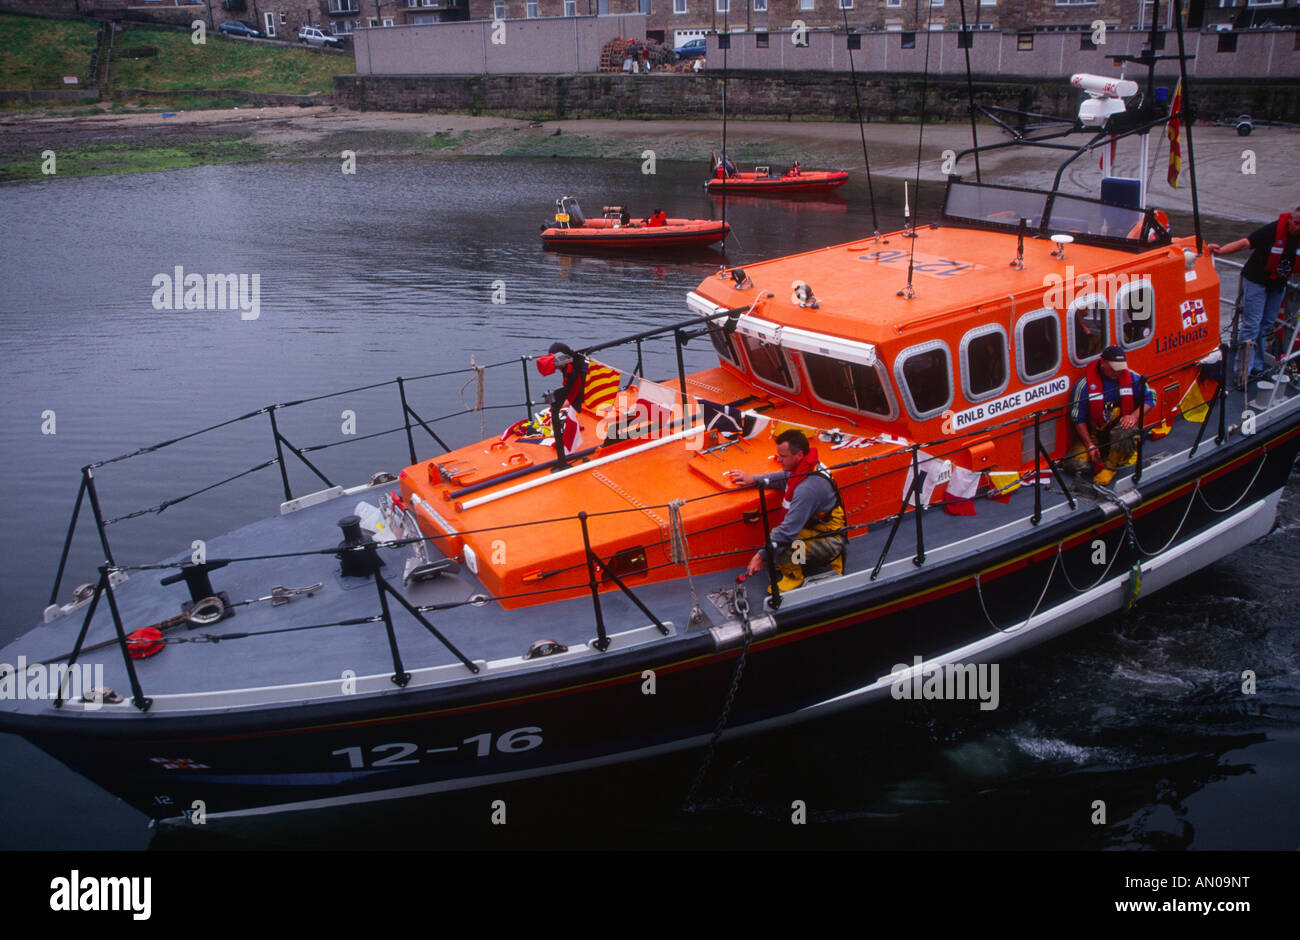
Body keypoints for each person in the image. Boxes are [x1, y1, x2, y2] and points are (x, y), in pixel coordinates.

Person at [730, 429, 846, 592]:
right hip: (818, 530)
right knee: (781, 541)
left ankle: (793, 577)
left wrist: (760, 556)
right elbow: (786, 477)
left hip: (830, 540)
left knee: (779, 538)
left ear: (798, 455)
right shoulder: (807, 468)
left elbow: (788, 533)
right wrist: (755, 479)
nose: (779, 459)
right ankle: (799, 559)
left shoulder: (807, 489)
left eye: (783, 457)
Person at [1207, 208, 1300, 381]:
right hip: (1256, 281)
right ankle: (1242, 370)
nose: (1298, 228)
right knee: (1252, 325)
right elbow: (1245, 243)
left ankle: (1257, 365)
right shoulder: (1272, 230)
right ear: (1290, 221)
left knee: (1266, 325)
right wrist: (1221, 251)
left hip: (1277, 285)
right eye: (1297, 223)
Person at [1066, 345, 1153, 485]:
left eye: (1120, 369)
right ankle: (1107, 458)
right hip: (1096, 436)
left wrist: (1134, 416)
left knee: (1125, 431)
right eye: (1113, 368)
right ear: (1102, 363)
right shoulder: (1084, 386)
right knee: (1075, 464)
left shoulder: (1132, 377)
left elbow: (1151, 398)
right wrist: (1090, 445)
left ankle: (1112, 465)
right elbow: (1078, 418)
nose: (1117, 373)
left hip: (1120, 431)